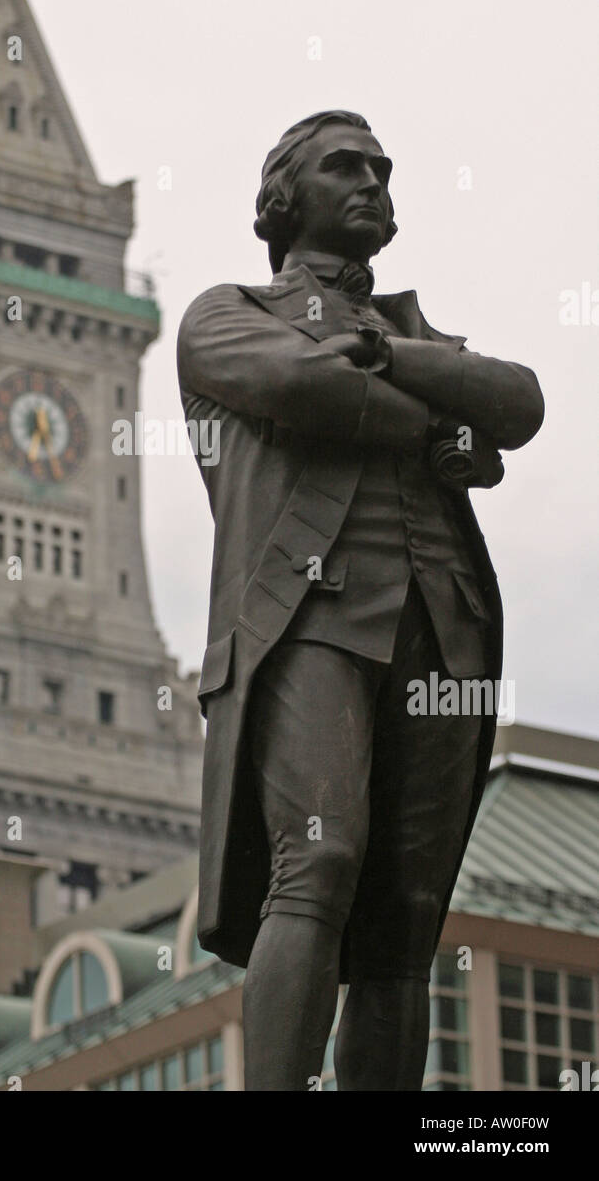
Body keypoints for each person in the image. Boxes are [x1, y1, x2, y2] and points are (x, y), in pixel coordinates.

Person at [176, 111, 544, 1090]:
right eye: (345, 167)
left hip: (439, 627)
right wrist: (441, 424)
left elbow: (519, 400)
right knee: (321, 859)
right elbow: (306, 391)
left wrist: (389, 355)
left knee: (404, 916)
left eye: (382, 170)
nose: (372, 183)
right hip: (307, 617)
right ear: (282, 196)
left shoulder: (418, 336)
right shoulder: (228, 313)